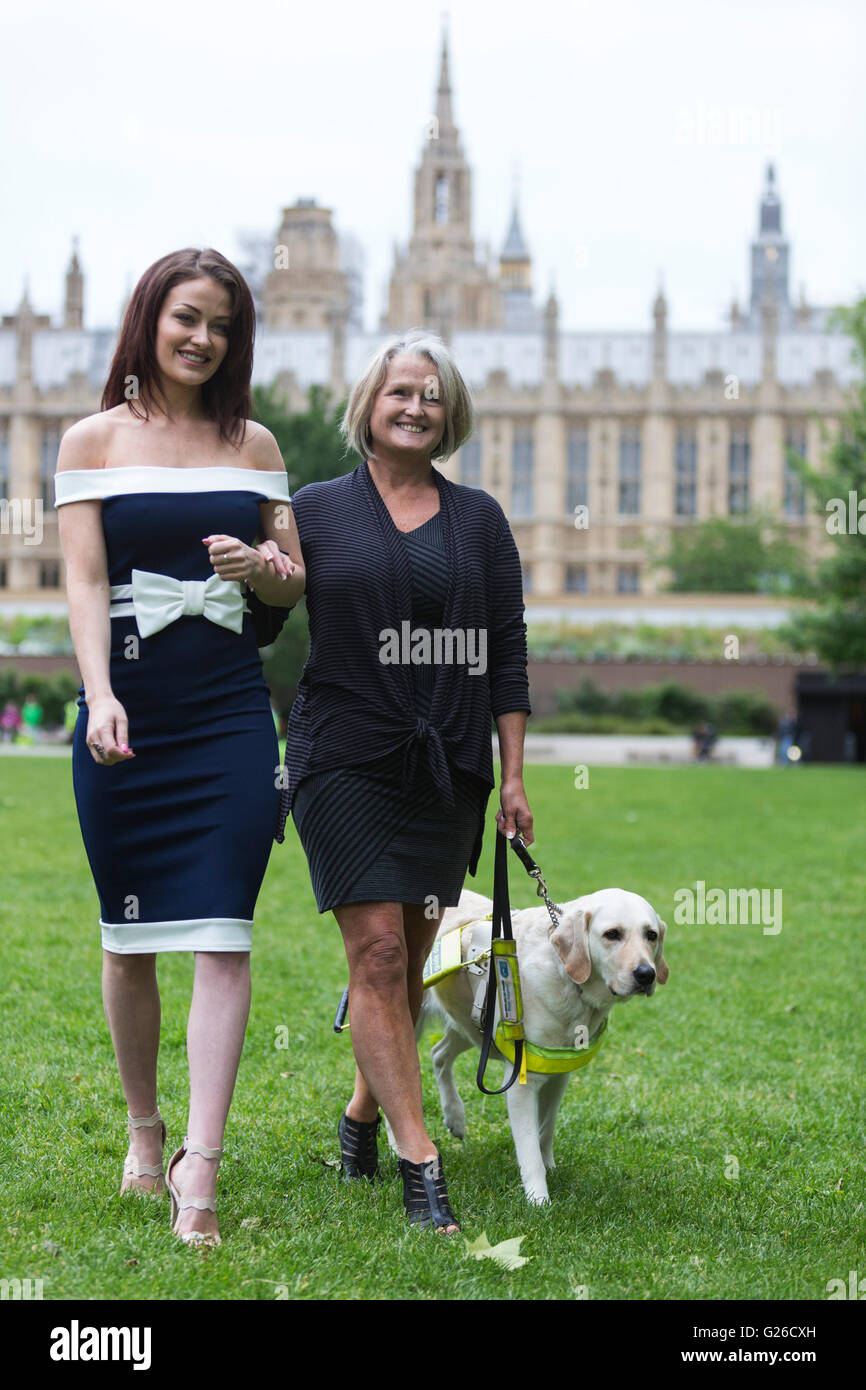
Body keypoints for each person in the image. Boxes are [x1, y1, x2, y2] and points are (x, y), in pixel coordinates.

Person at [55, 248, 304, 1247]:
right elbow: (80, 580)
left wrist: (262, 565)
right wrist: (99, 693)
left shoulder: (254, 446)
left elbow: (293, 582)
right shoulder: (93, 439)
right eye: (187, 318)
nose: (203, 338)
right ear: (149, 318)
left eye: (223, 325)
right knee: (128, 940)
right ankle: (145, 1127)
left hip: (229, 708)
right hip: (128, 703)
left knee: (222, 930)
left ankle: (200, 1160)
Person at [285, 328, 533, 1235]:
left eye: (431, 395)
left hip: (450, 764)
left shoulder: (480, 521)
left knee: (411, 961)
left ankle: (359, 1116)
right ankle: (419, 1164)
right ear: (370, 405)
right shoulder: (314, 508)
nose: (415, 407)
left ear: (450, 411)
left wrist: (512, 776)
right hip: (344, 751)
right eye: (399, 393)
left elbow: (506, 652)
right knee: (378, 955)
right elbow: (267, 610)